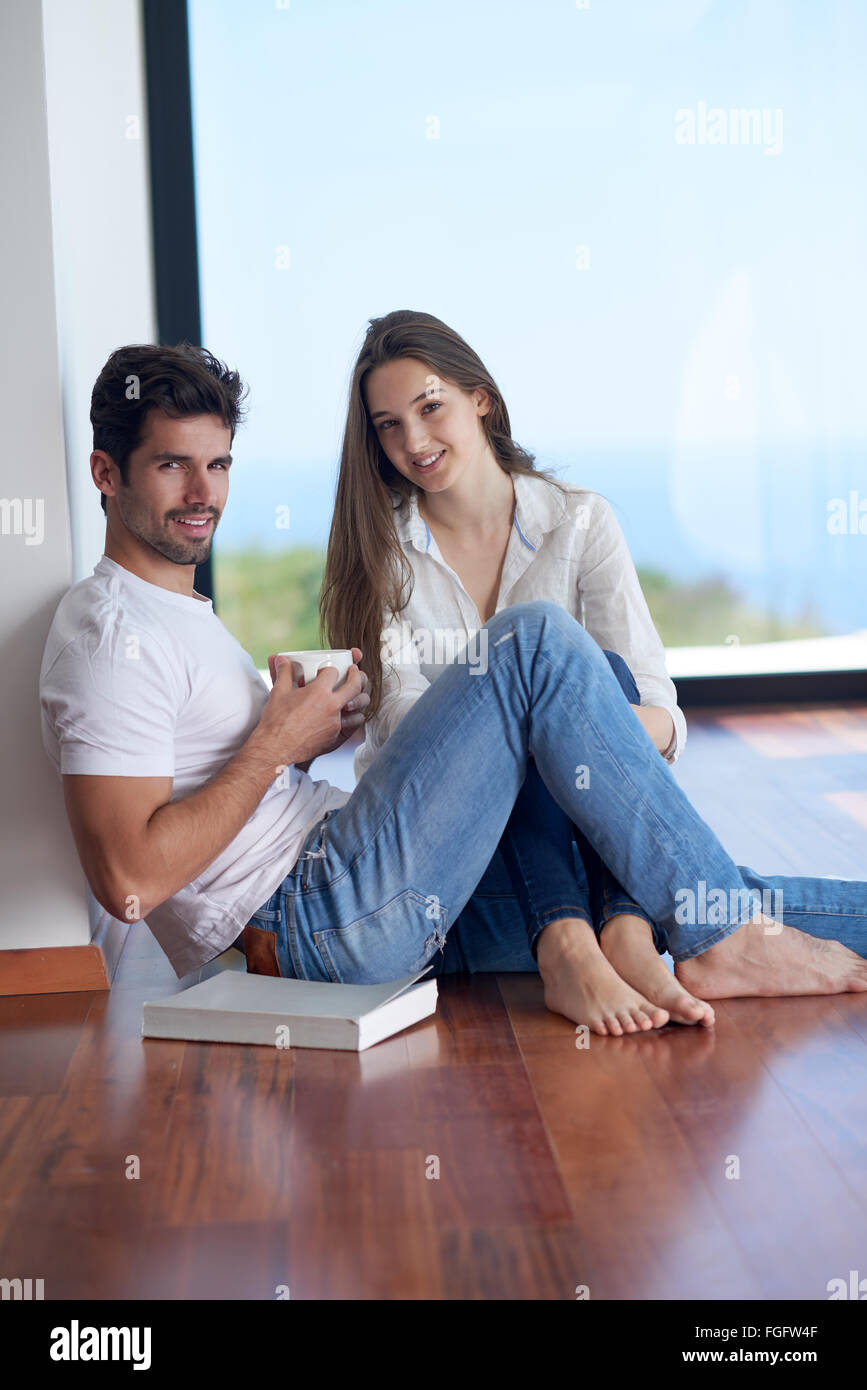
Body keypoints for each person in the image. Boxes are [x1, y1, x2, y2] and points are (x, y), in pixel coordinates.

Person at [40, 344, 867, 1045]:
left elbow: (217, 778)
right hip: (313, 920)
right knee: (535, 639)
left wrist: (308, 728)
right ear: (106, 474)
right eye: (171, 466)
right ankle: (713, 938)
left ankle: (696, 931)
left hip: (356, 894)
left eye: (216, 463)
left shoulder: (171, 610)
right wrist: (273, 746)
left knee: (676, 884)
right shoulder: (110, 633)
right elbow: (128, 880)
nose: (202, 493)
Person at [321, 308, 705, 1034]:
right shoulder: (383, 556)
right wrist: (537, 722)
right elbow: (405, 732)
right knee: (727, 897)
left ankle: (620, 933)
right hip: (448, 844)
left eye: (429, 407)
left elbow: (658, 714)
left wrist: (563, 733)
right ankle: (573, 940)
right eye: (388, 425)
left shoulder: (580, 523)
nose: (414, 441)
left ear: (479, 398)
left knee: (607, 674)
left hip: (579, 834)